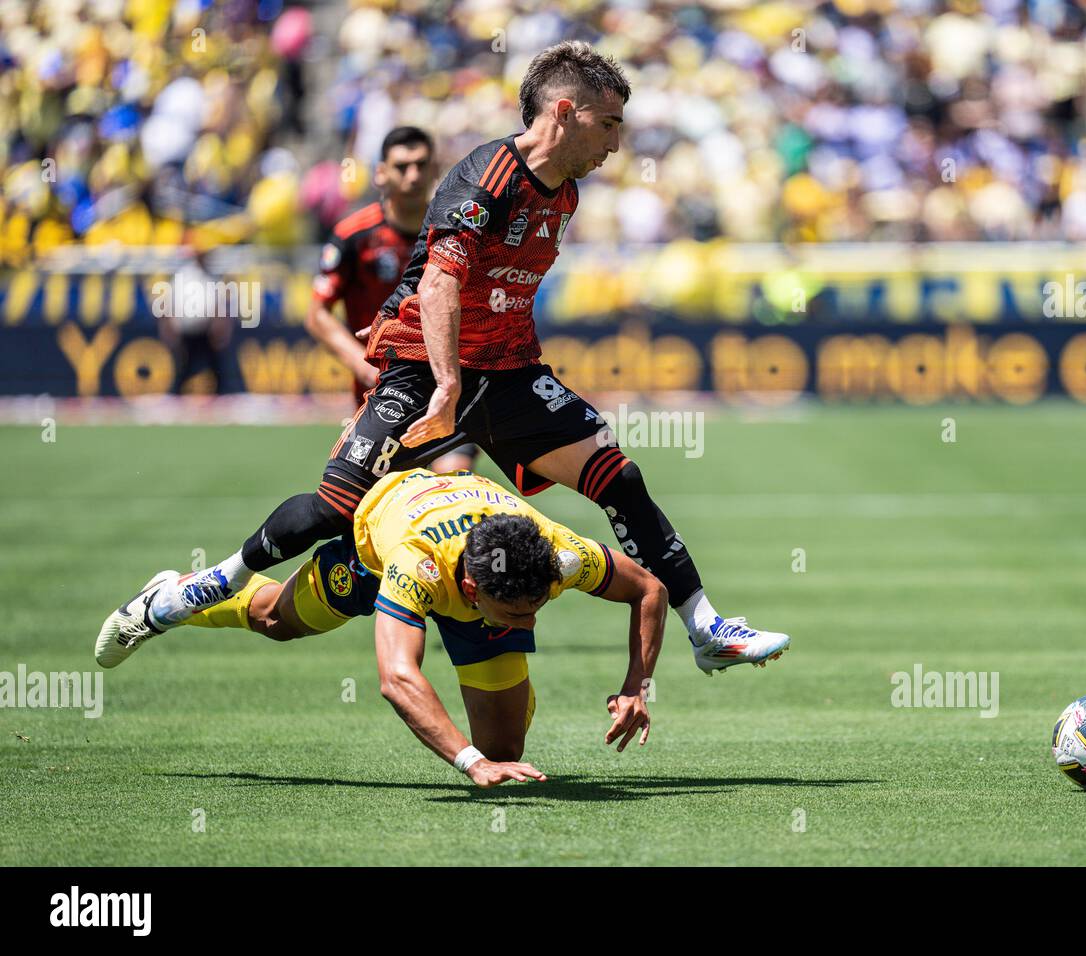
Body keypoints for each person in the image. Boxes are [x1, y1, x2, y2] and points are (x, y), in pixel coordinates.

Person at [99, 40, 789, 677]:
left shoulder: (568, 191)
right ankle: (199, 587)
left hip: (511, 374)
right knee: (332, 510)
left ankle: (704, 627)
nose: (619, 141)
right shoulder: (485, 176)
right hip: (425, 371)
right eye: (609, 124)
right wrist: (447, 384)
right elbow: (438, 281)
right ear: (565, 111)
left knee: (620, 479)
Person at [97, 470, 668, 787]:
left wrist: (636, 687)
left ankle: (499, 689)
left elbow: (650, 589)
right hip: (379, 541)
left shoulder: (556, 554)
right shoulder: (411, 566)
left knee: (504, 749)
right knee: (275, 620)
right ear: (472, 590)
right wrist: (469, 765)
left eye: (537, 606)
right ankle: (170, 594)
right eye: (521, 615)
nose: (535, 620)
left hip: (472, 542)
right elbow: (397, 677)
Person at [307, 125, 479, 471]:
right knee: (375, 505)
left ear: (435, 169)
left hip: (446, 386)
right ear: (381, 173)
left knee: (454, 481)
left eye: (422, 164)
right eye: (402, 166)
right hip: (380, 394)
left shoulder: (458, 229)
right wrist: (363, 366)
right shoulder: (353, 235)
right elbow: (317, 314)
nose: (413, 175)